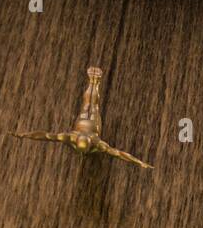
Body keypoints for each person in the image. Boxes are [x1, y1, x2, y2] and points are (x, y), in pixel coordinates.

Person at [13, 67, 152, 169]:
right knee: (90, 105)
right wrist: (139, 163)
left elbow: (46, 136)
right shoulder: (89, 142)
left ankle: (94, 82)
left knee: (90, 105)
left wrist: (24, 135)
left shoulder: (81, 140)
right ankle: (94, 82)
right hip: (88, 124)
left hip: (87, 124)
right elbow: (119, 153)